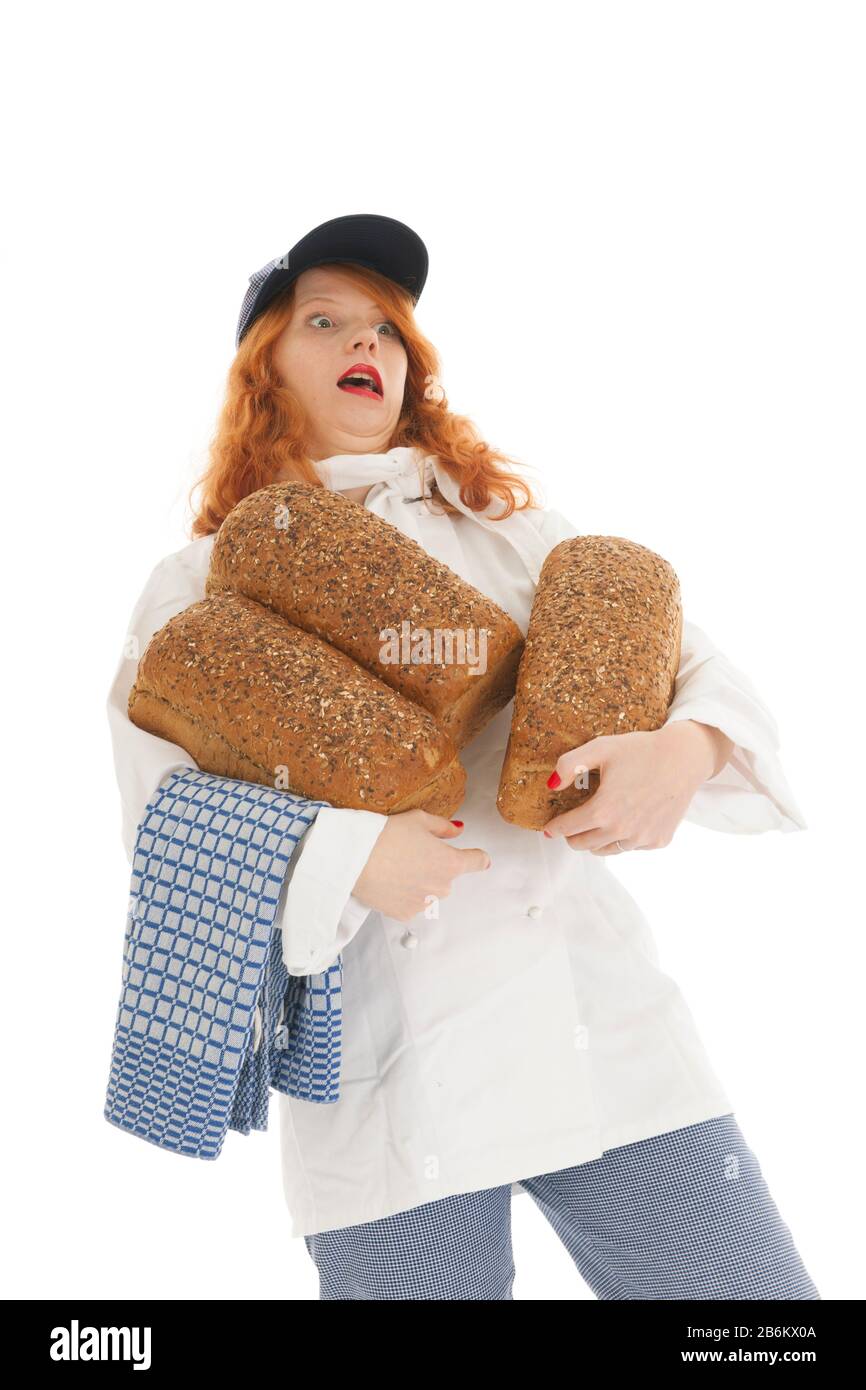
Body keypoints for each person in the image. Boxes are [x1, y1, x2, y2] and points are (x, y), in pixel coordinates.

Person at [107, 214, 820, 1300]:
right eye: (326, 320)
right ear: (265, 368)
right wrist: (348, 855)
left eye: (388, 329)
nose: (368, 344)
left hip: (601, 1031)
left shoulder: (512, 532)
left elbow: (702, 674)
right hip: (395, 1082)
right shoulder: (198, 582)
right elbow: (161, 819)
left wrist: (684, 749)